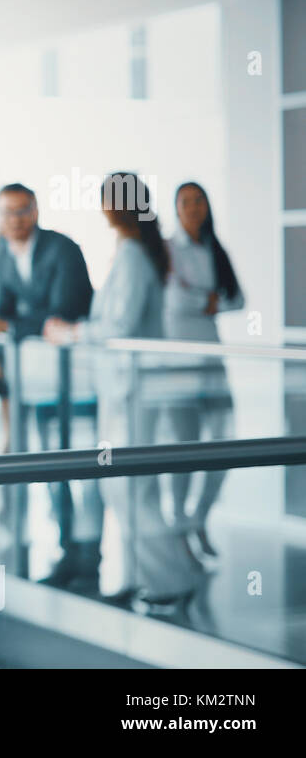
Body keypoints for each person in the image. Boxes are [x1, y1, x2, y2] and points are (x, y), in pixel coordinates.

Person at [44, 173, 205, 614]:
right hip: (125, 388)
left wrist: (71, 333)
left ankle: (174, 578)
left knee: (129, 489)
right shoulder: (133, 251)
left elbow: (120, 326)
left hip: (133, 390)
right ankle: (141, 577)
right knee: (130, 486)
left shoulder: (133, 255)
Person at [0, 183, 95, 586]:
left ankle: (85, 551)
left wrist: (9, 324)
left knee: (75, 463)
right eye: (7, 213)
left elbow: (65, 311)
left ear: (36, 211)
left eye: (23, 211)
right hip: (33, 378)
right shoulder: (1, 252)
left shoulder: (62, 249)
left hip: (75, 377)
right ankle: (62, 547)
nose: (16, 221)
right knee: (43, 460)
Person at [162, 181, 243, 559]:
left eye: (199, 201)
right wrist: (205, 299)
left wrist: (208, 301)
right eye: (186, 202)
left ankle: (199, 518)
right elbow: (172, 300)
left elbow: (237, 298)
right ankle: (178, 525)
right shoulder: (166, 250)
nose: (194, 208)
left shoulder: (215, 247)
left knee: (223, 446)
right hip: (180, 365)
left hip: (212, 360)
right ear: (175, 208)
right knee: (183, 450)